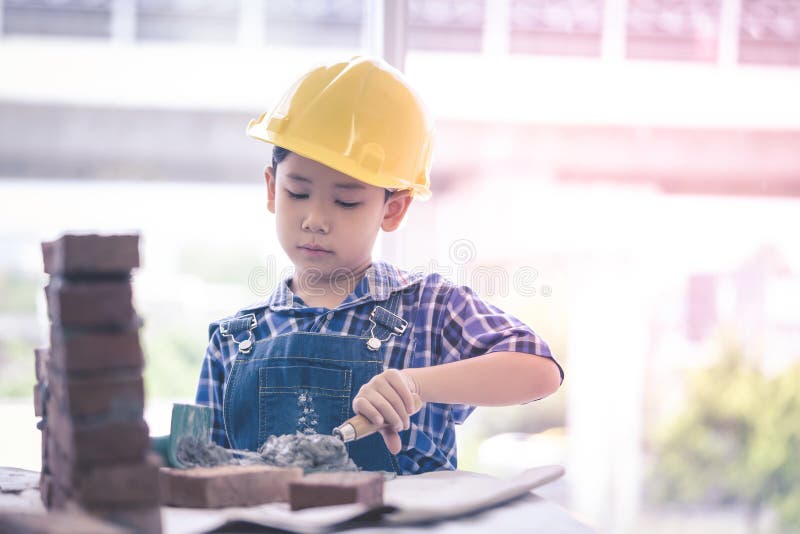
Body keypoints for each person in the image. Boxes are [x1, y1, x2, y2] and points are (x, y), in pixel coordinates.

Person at [195, 56, 563, 475]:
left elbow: (539, 370)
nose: (315, 218)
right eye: (297, 193)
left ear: (393, 209)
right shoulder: (232, 340)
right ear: (271, 189)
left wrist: (416, 384)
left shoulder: (430, 309)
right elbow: (207, 476)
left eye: (346, 201)